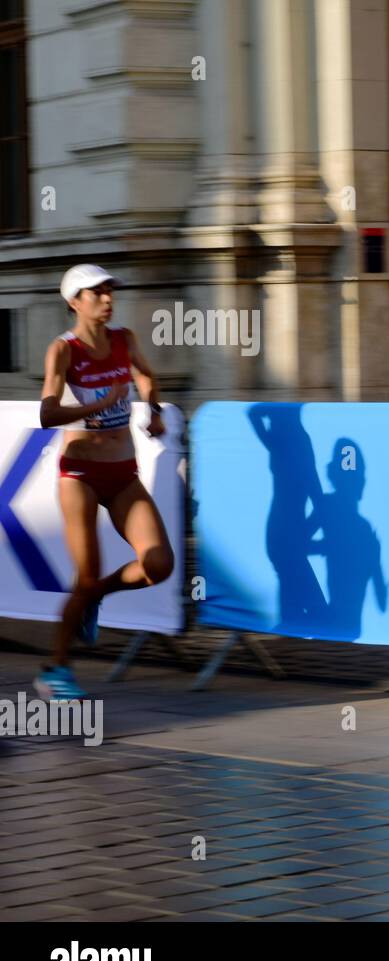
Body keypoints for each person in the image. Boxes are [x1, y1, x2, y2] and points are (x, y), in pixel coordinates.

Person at [35, 265, 173, 700]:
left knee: (159, 565)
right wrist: (95, 410)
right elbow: (46, 414)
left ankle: (97, 598)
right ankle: (56, 668)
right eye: (97, 293)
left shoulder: (124, 340)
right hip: (80, 474)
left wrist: (152, 410)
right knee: (85, 576)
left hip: (123, 471)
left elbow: (146, 375)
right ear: (75, 301)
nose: (108, 299)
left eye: (110, 290)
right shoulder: (64, 350)